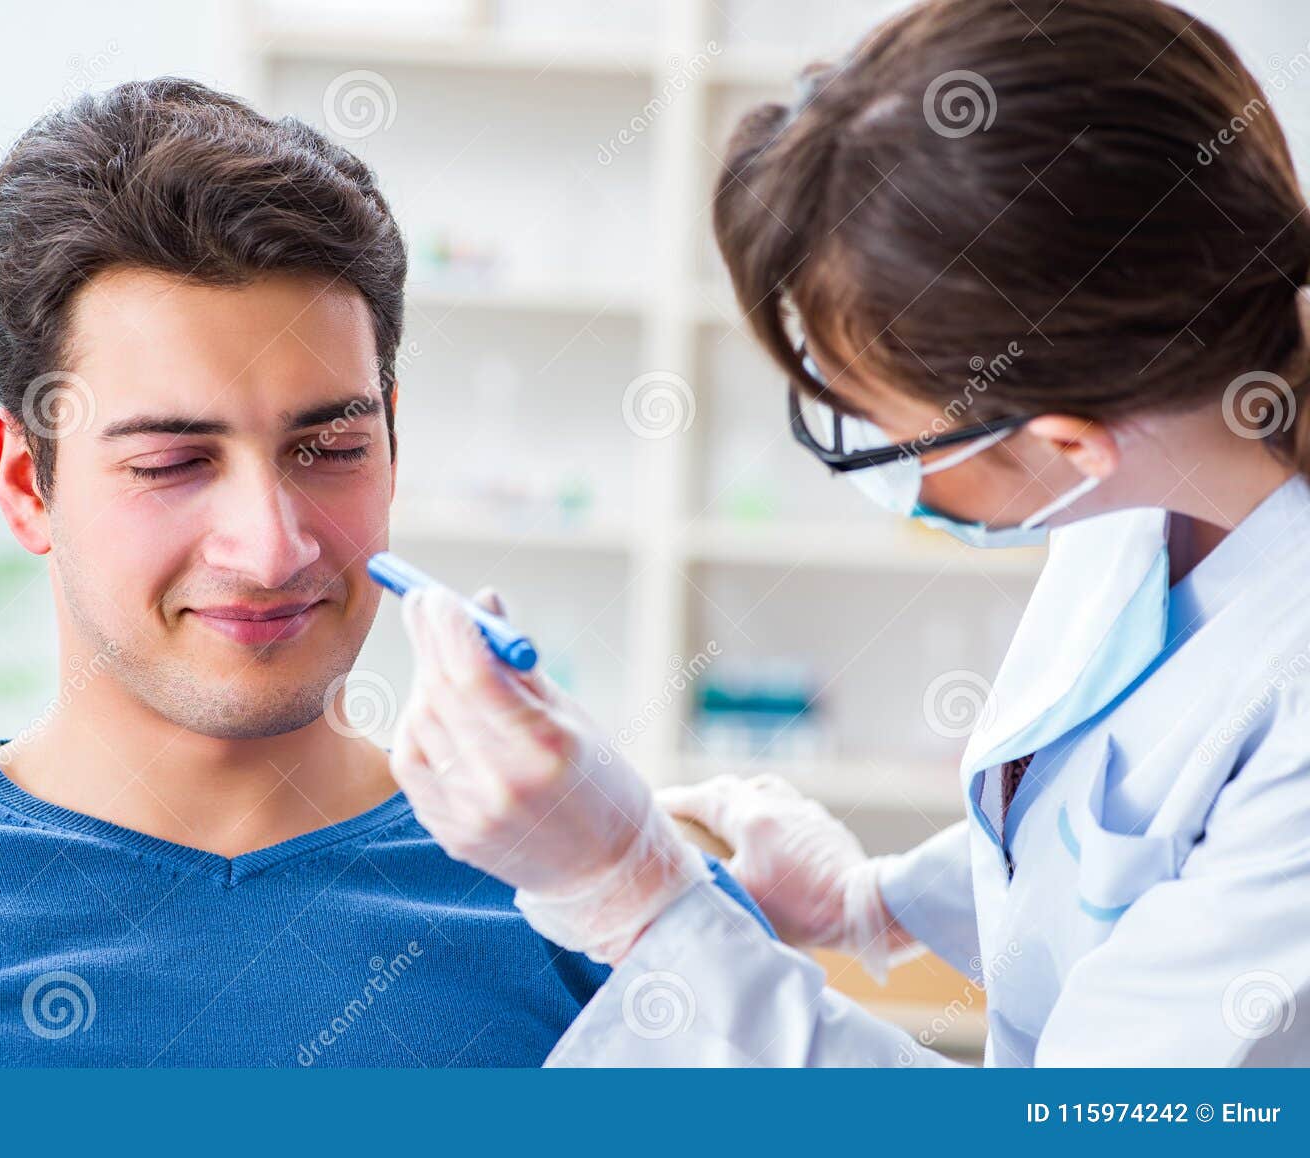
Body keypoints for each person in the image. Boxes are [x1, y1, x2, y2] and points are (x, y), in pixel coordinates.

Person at [0, 79, 766, 1068]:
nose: (271, 548)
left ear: (392, 443)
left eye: (328, 450)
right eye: (172, 462)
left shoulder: (612, 908)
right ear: (30, 483)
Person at [390, 0, 1310, 1065]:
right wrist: (875, 905)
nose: (864, 437)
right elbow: (1117, 847)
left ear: (1064, 444)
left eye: (876, 415)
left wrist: (636, 907)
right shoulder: (1154, 468)